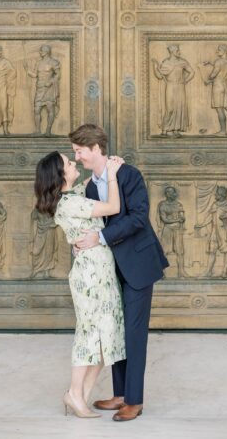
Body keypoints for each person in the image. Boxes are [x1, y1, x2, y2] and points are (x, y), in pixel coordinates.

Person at [71, 122, 168, 423]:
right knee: (115, 330)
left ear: (95, 148)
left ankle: (134, 401)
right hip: (110, 269)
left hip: (138, 266)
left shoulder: (129, 175)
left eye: (79, 151)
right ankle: (120, 394)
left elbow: (138, 218)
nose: (76, 157)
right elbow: (89, 222)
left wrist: (100, 238)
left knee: (134, 333)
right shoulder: (89, 187)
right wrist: (80, 243)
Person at [33, 148, 126, 421]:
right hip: (90, 276)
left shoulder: (74, 195)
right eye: (68, 162)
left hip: (102, 273)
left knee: (105, 340)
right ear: (60, 175)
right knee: (88, 336)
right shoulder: (70, 203)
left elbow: (90, 181)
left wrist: (106, 166)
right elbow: (113, 207)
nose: (74, 162)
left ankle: (79, 397)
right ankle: (75, 393)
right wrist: (111, 174)